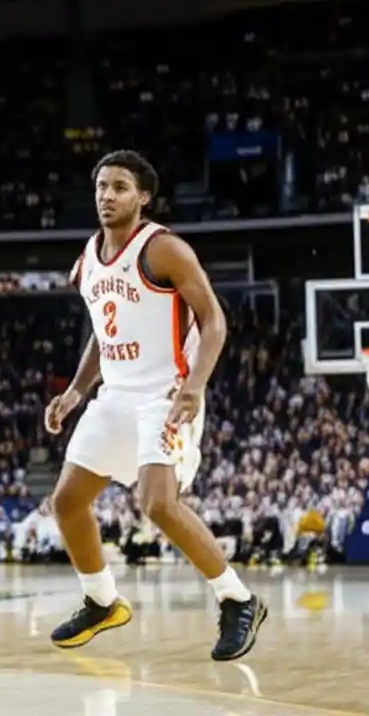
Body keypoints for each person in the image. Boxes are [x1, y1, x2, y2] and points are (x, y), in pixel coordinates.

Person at [43, 150, 268, 661]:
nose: (107, 196)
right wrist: (76, 391)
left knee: (158, 503)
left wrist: (195, 386)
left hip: (164, 395)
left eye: (120, 187)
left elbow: (214, 320)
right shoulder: (88, 259)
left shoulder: (164, 249)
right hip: (115, 394)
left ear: (143, 197)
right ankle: (102, 601)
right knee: (67, 502)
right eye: (101, 186)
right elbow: (103, 333)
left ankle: (239, 599)